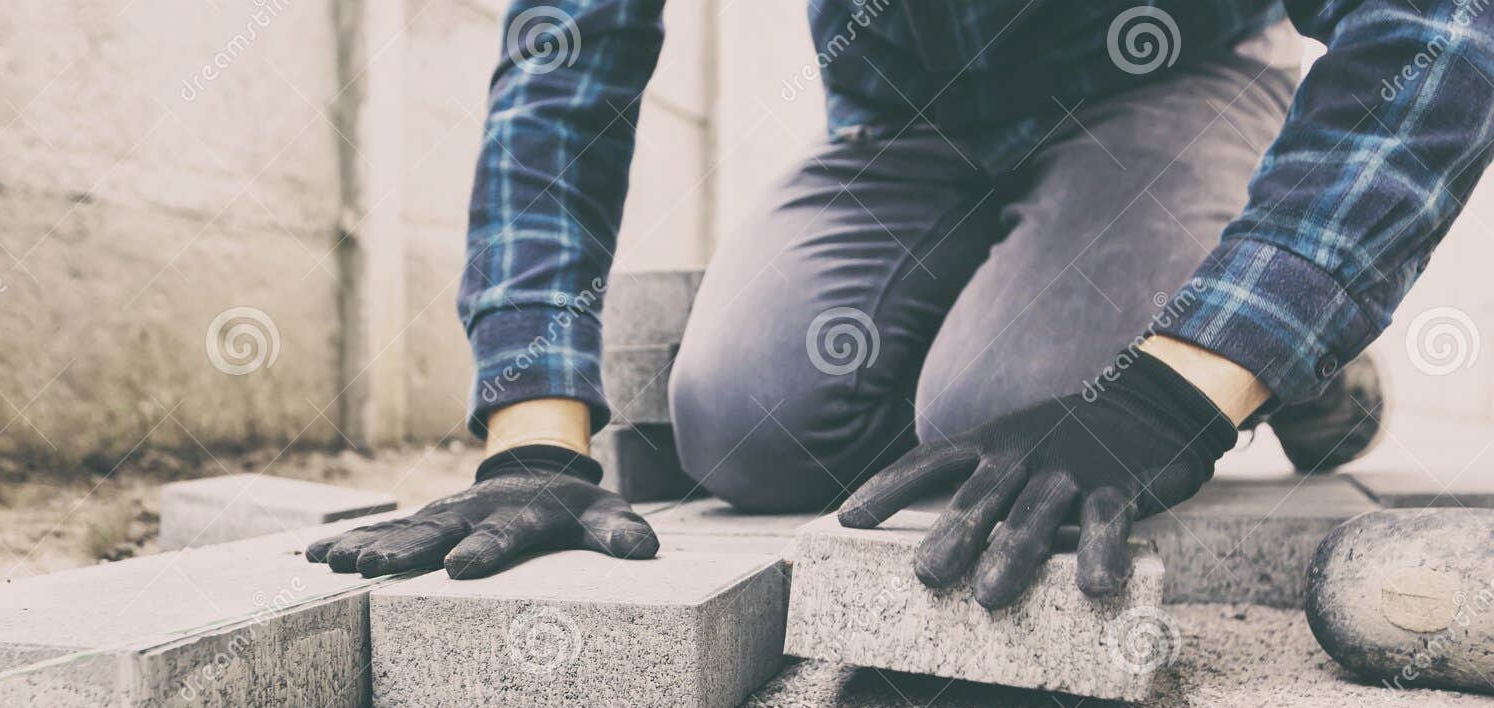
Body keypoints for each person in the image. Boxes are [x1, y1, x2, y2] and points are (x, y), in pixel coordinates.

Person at [311, 0, 1493, 610]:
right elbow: (564, 70)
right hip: (907, 132)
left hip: (1164, 85)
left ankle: (1276, 345)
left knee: (1015, 402)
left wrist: (1175, 391)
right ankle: (1078, 294)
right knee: (745, 424)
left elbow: (1438, 25)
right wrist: (532, 442)